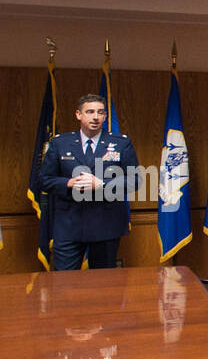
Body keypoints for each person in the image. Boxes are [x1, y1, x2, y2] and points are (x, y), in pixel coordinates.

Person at [39, 93, 139, 270]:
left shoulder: (121, 143)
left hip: (106, 224)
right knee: (63, 284)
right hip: (69, 224)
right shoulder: (60, 143)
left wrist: (102, 185)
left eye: (100, 112)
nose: (95, 117)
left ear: (105, 116)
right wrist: (68, 183)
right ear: (78, 114)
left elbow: (134, 180)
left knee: (103, 286)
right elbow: (45, 180)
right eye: (90, 112)